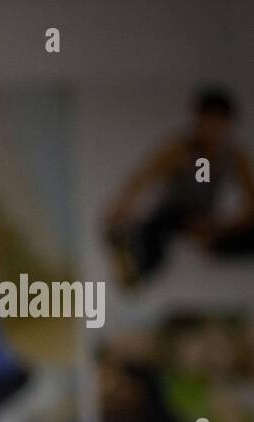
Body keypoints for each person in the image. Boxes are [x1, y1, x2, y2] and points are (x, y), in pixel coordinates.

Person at [104, 87, 254, 287]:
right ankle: (134, 268)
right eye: (209, 121)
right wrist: (121, 206)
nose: (213, 129)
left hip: (206, 216)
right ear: (199, 120)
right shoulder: (180, 150)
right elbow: (144, 177)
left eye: (219, 122)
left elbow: (250, 201)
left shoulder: (233, 155)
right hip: (174, 213)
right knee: (154, 237)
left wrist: (225, 226)